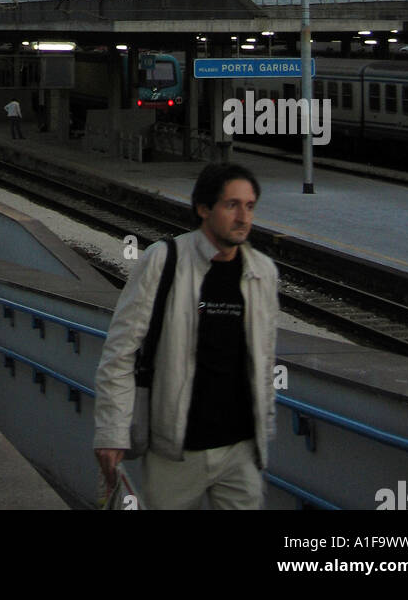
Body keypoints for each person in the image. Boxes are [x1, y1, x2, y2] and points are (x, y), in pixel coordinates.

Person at [93, 163, 279, 510]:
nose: (243, 217)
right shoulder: (164, 261)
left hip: (240, 452)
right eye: (231, 205)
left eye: (250, 206)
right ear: (204, 209)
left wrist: (262, 432)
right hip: (175, 453)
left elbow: (263, 359)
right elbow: (120, 353)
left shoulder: (263, 273)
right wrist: (111, 432)